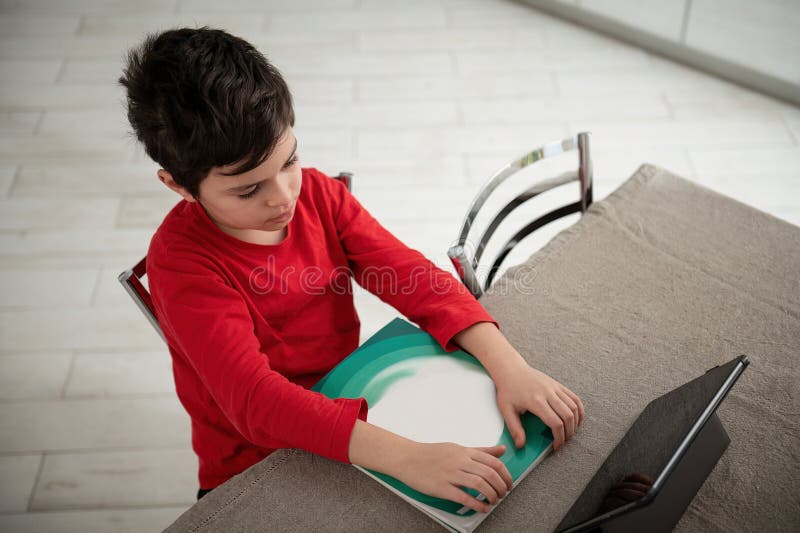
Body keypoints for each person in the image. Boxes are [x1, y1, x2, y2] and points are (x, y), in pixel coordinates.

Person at [118, 27, 585, 514]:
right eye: (247, 190)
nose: (283, 196)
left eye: (289, 160)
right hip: (258, 461)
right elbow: (255, 402)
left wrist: (511, 368)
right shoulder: (181, 265)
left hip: (359, 395)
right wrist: (407, 457)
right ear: (179, 187)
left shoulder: (319, 195)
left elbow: (414, 278)